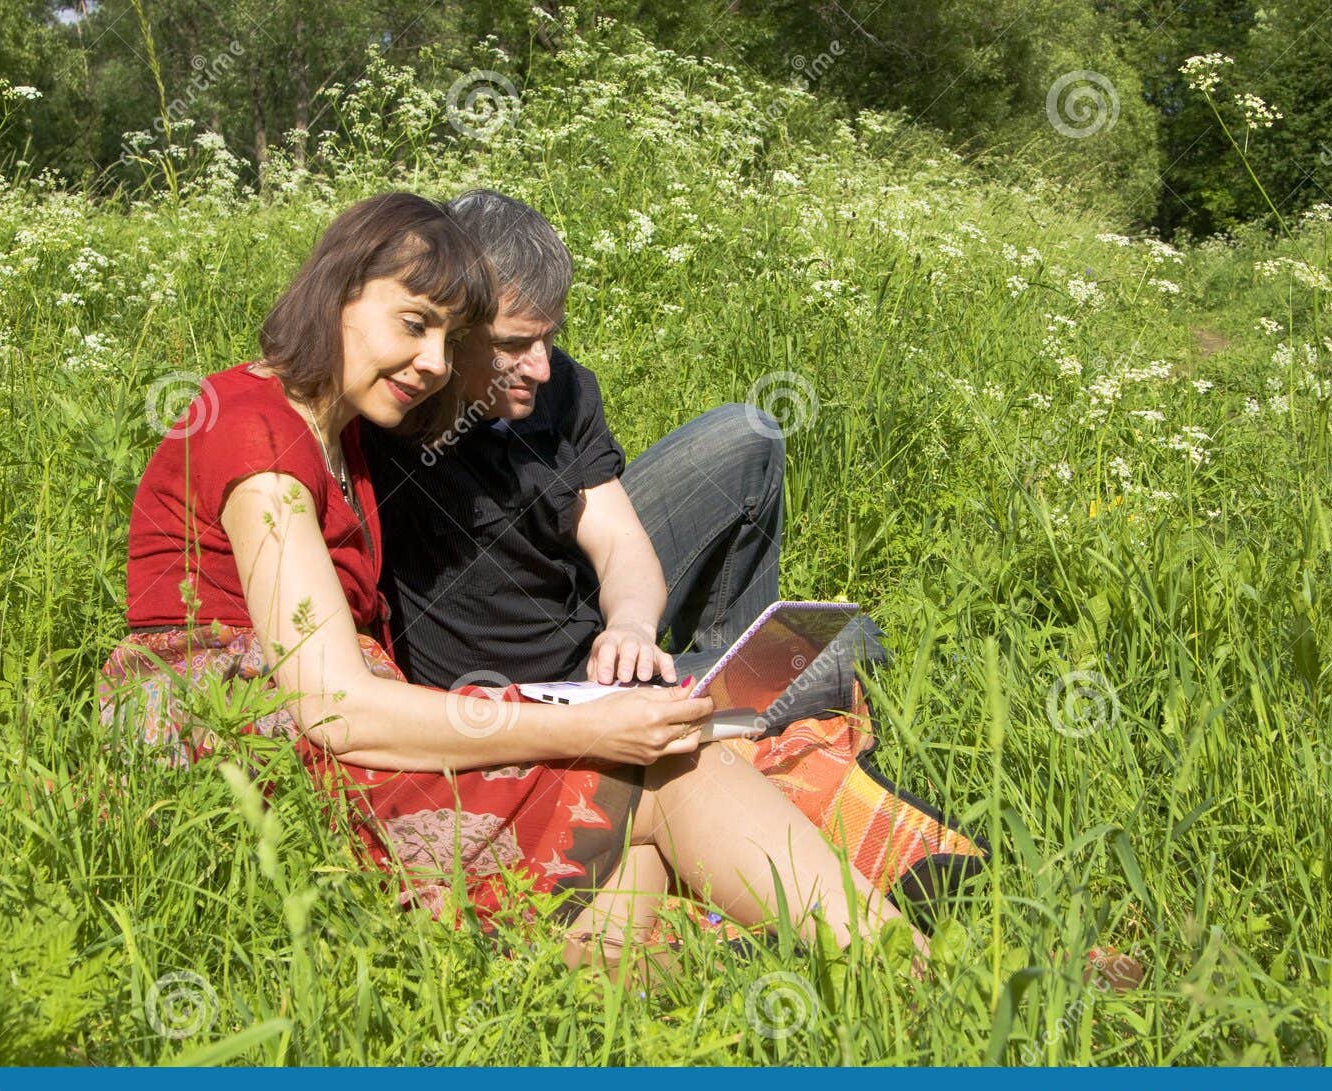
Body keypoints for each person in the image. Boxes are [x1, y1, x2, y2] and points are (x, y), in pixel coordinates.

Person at [97, 192, 931, 986]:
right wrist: (590, 726)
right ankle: (903, 965)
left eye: (445, 336)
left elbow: (609, 537)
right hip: (256, 736)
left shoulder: (338, 429)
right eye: (414, 326)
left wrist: (616, 665)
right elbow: (331, 705)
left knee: (636, 870)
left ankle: (780, 964)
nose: (429, 363)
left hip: (316, 718)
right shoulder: (256, 429)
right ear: (337, 292)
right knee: (673, 766)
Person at [364, 189, 987, 922]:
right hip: (519, 707)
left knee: (763, 471)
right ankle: (753, 768)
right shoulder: (390, 416)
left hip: (594, 661)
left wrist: (627, 625)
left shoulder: (558, 391)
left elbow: (619, 538)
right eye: (510, 345)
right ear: (452, 321)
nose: (537, 365)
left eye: (549, 337)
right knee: (831, 663)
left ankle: (723, 699)